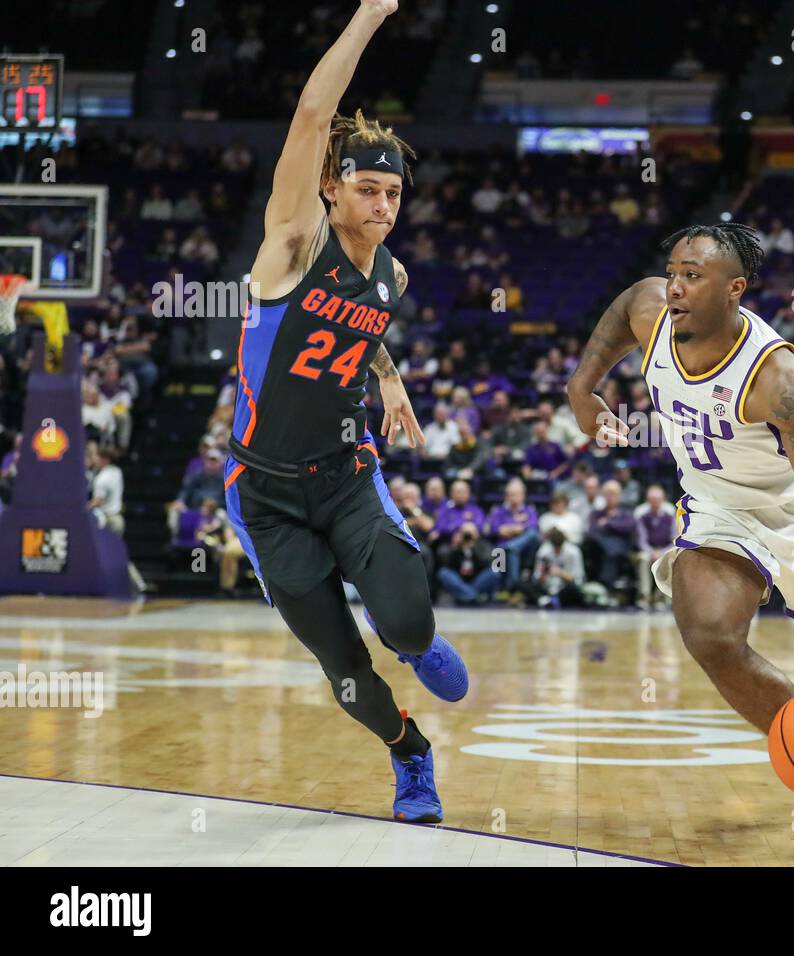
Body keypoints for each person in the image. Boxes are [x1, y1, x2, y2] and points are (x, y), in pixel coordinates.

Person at [567, 222, 794, 853]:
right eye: (674, 271)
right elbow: (618, 315)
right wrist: (583, 385)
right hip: (717, 508)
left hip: (793, 514)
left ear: (734, 289)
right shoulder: (650, 309)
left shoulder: (779, 381)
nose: (676, 287)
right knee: (710, 635)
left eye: (694, 276)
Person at [221, 0, 466, 825]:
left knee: (406, 617)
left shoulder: (391, 277)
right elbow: (313, 115)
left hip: (347, 476)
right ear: (331, 190)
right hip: (265, 494)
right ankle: (410, 754)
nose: (384, 204)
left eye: (394, 193)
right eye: (367, 188)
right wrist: (369, 16)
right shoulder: (293, 242)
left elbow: (362, 333)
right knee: (347, 672)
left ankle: (419, 641)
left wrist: (388, 377)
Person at [633, 484, 675, 608]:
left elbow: (675, 538)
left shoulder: (670, 512)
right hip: (648, 550)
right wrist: (651, 552)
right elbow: (641, 539)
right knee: (643, 559)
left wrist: (662, 552)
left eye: (658, 499)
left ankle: (660, 598)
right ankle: (644, 596)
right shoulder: (641, 514)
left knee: (669, 559)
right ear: (648, 500)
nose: (655, 502)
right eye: (652, 500)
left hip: (666, 548)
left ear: (663, 499)